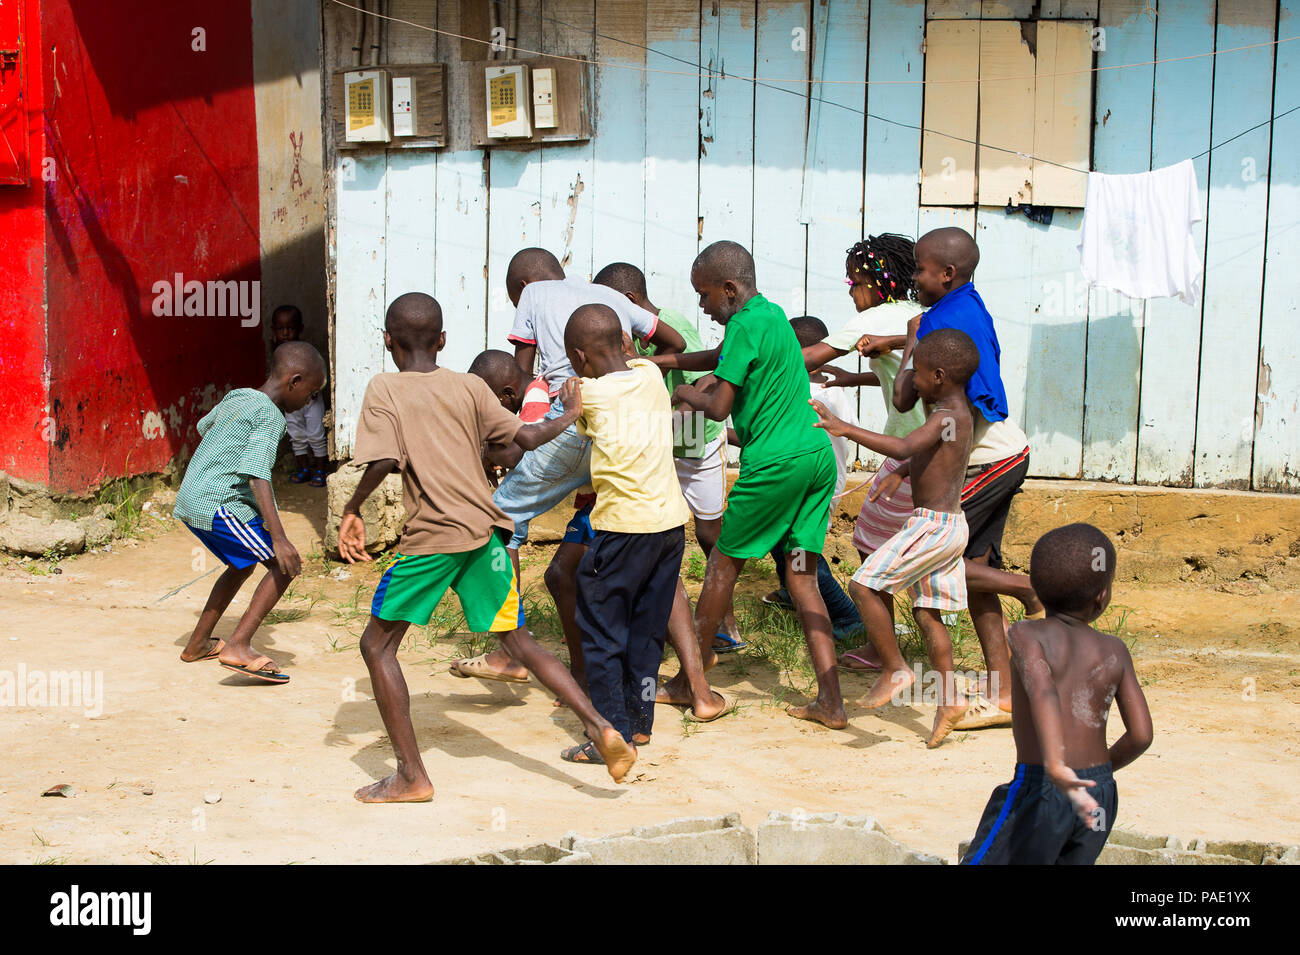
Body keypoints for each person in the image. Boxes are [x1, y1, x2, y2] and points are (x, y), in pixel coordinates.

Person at [337, 293, 636, 802]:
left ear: (387, 341)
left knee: (376, 645)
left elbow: (384, 459)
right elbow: (527, 437)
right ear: (444, 340)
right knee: (518, 641)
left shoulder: (384, 387)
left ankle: (411, 776)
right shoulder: (470, 386)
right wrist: (571, 414)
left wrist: (353, 508)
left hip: (432, 540)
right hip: (487, 532)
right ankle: (601, 727)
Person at [652, 241, 846, 729]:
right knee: (801, 577)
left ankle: (686, 681)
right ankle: (831, 701)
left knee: (721, 566)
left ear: (730, 288)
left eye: (704, 294)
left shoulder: (741, 324)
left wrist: (681, 393)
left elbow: (717, 410)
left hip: (776, 466)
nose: (701, 305)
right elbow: (720, 356)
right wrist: (664, 363)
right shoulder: (770, 315)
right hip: (816, 456)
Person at [891, 227, 1040, 729]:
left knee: (931, 561)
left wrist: (911, 341)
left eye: (920, 269)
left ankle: (1027, 588)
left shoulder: (933, 324)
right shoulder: (972, 306)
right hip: (1006, 448)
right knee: (972, 569)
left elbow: (903, 400)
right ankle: (1004, 692)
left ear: (946, 274)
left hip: (984, 459)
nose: (914, 277)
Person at [812, 328, 979, 747]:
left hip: (930, 526)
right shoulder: (957, 413)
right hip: (948, 524)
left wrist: (845, 429)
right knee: (928, 614)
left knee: (863, 584)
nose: (909, 381)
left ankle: (894, 668)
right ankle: (950, 701)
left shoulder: (944, 417)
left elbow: (905, 446)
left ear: (938, 376)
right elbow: (930, 456)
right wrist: (905, 473)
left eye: (917, 373)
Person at [961, 523, 1152, 864]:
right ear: (1102, 595)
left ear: (1035, 586)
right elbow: (1140, 735)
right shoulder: (1114, 650)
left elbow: (1043, 691)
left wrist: (1056, 765)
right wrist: (1098, 773)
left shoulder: (1025, 635)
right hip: (1100, 795)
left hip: (1043, 788)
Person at [493, 248, 686, 577]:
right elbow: (676, 343)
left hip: (575, 416)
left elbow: (520, 376)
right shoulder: (608, 295)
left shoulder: (533, 294)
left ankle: (511, 625)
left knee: (499, 522)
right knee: (635, 534)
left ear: (521, 286)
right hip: (626, 427)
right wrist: (638, 379)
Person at [558, 304, 690, 764]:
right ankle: (640, 722)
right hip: (671, 525)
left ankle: (611, 735)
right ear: (623, 344)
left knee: (600, 633)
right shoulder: (651, 377)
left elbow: (575, 407)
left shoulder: (587, 395)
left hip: (623, 530)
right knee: (647, 631)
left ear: (578, 357)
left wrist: (574, 390)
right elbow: (631, 359)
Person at [175, 341, 326, 684]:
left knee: (241, 563)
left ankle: (198, 644)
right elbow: (259, 474)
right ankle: (239, 646)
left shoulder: (239, 395)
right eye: (311, 392)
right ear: (295, 381)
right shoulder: (271, 417)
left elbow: (204, 427)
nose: (309, 400)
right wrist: (280, 537)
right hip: (217, 501)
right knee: (283, 565)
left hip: (192, 495)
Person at [759, 315, 864, 643]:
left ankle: (847, 616)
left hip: (809, 483)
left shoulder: (800, 391)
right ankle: (793, 592)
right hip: (827, 479)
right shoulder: (832, 389)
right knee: (784, 541)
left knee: (802, 553)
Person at [271, 305, 329, 487]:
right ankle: (303, 468)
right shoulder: (276, 354)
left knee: (316, 434)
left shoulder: (306, 351)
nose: (286, 333)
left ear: (300, 329)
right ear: (274, 331)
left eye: (290, 328)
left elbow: (317, 372)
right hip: (291, 403)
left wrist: (314, 390)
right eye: (281, 329)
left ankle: (321, 469)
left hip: (311, 400)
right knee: (296, 434)